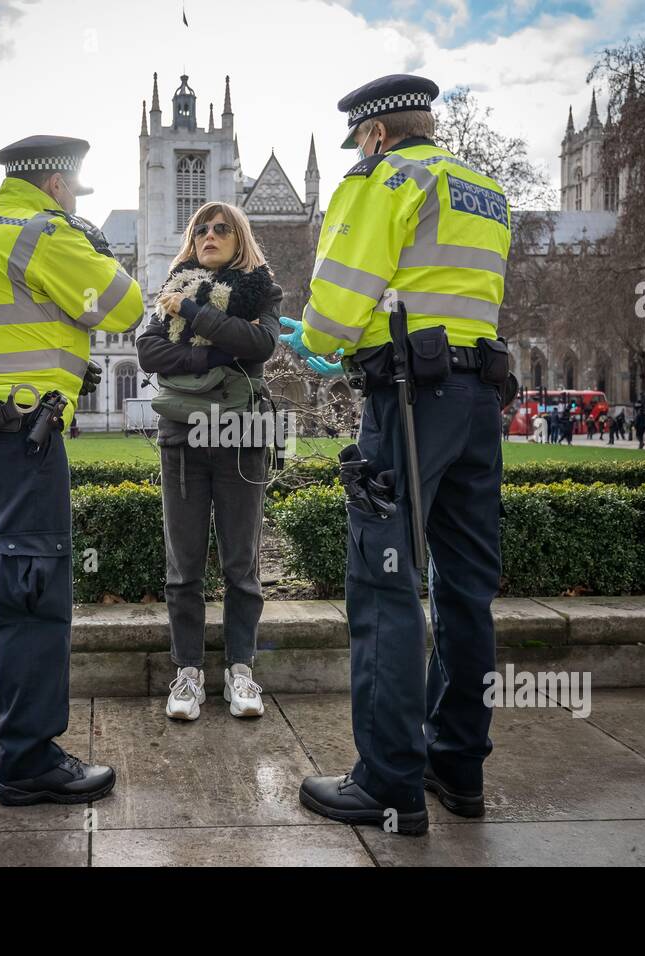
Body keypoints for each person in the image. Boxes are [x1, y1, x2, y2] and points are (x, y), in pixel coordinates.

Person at [281, 74, 510, 834]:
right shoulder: (483, 189)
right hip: (481, 398)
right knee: (466, 588)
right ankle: (458, 766)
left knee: (383, 580)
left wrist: (312, 343)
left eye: (360, 140)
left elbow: (340, 300)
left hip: (410, 400)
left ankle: (387, 782)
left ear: (374, 134)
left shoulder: (382, 179)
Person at [0, 135, 142, 807]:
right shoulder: (44, 235)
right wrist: (98, 252)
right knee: (35, 589)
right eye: (74, 190)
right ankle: (28, 759)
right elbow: (125, 308)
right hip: (24, 437)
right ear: (57, 184)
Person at [137, 201, 281, 722]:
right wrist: (216, 356)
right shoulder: (169, 289)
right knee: (184, 566)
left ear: (239, 237)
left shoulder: (262, 290)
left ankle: (241, 669)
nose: (210, 234)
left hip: (241, 435)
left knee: (241, 564)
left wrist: (195, 316)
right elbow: (149, 354)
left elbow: (261, 343)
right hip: (181, 437)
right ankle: (189, 673)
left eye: (222, 228)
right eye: (202, 228)